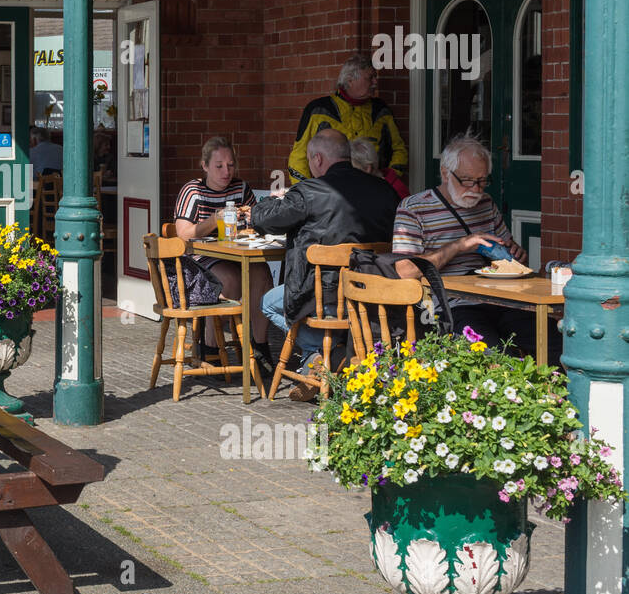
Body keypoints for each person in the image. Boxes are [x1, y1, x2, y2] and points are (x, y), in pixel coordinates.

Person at [252, 128, 400, 398]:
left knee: (267, 303)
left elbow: (264, 219)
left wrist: (269, 202)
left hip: (323, 296)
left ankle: (323, 357)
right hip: (372, 295)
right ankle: (326, 358)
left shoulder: (310, 191)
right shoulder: (385, 191)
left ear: (317, 159)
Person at [391, 133, 535, 355]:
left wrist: (515, 254)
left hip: (500, 300)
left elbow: (508, 250)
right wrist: (460, 246)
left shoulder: (487, 203)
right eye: (468, 180)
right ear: (445, 174)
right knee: (493, 355)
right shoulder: (413, 209)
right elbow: (404, 270)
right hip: (451, 306)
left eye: (483, 180)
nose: (477, 189)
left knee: (551, 341)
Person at [172, 136, 272, 370]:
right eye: (219, 166)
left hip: (237, 253)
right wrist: (213, 221)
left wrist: (253, 220)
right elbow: (183, 236)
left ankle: (259, 346)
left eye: (230, 165)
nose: (226, 171)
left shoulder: (241, 188)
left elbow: (254, 221)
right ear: (205, 166)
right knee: (229, 279)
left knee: (261, 272)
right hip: (198, 260)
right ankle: (211, 347)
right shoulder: (193, 190)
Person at [288, 54, 408, 186]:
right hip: (332, 193)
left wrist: (389, 179)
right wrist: (307, 192)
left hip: (372, 191)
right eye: (370, 78)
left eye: (375, 77)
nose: (375, 82)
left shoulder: (381, 110)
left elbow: (399, 150)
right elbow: (298, 156)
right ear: (350, 80)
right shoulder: (318, 110)